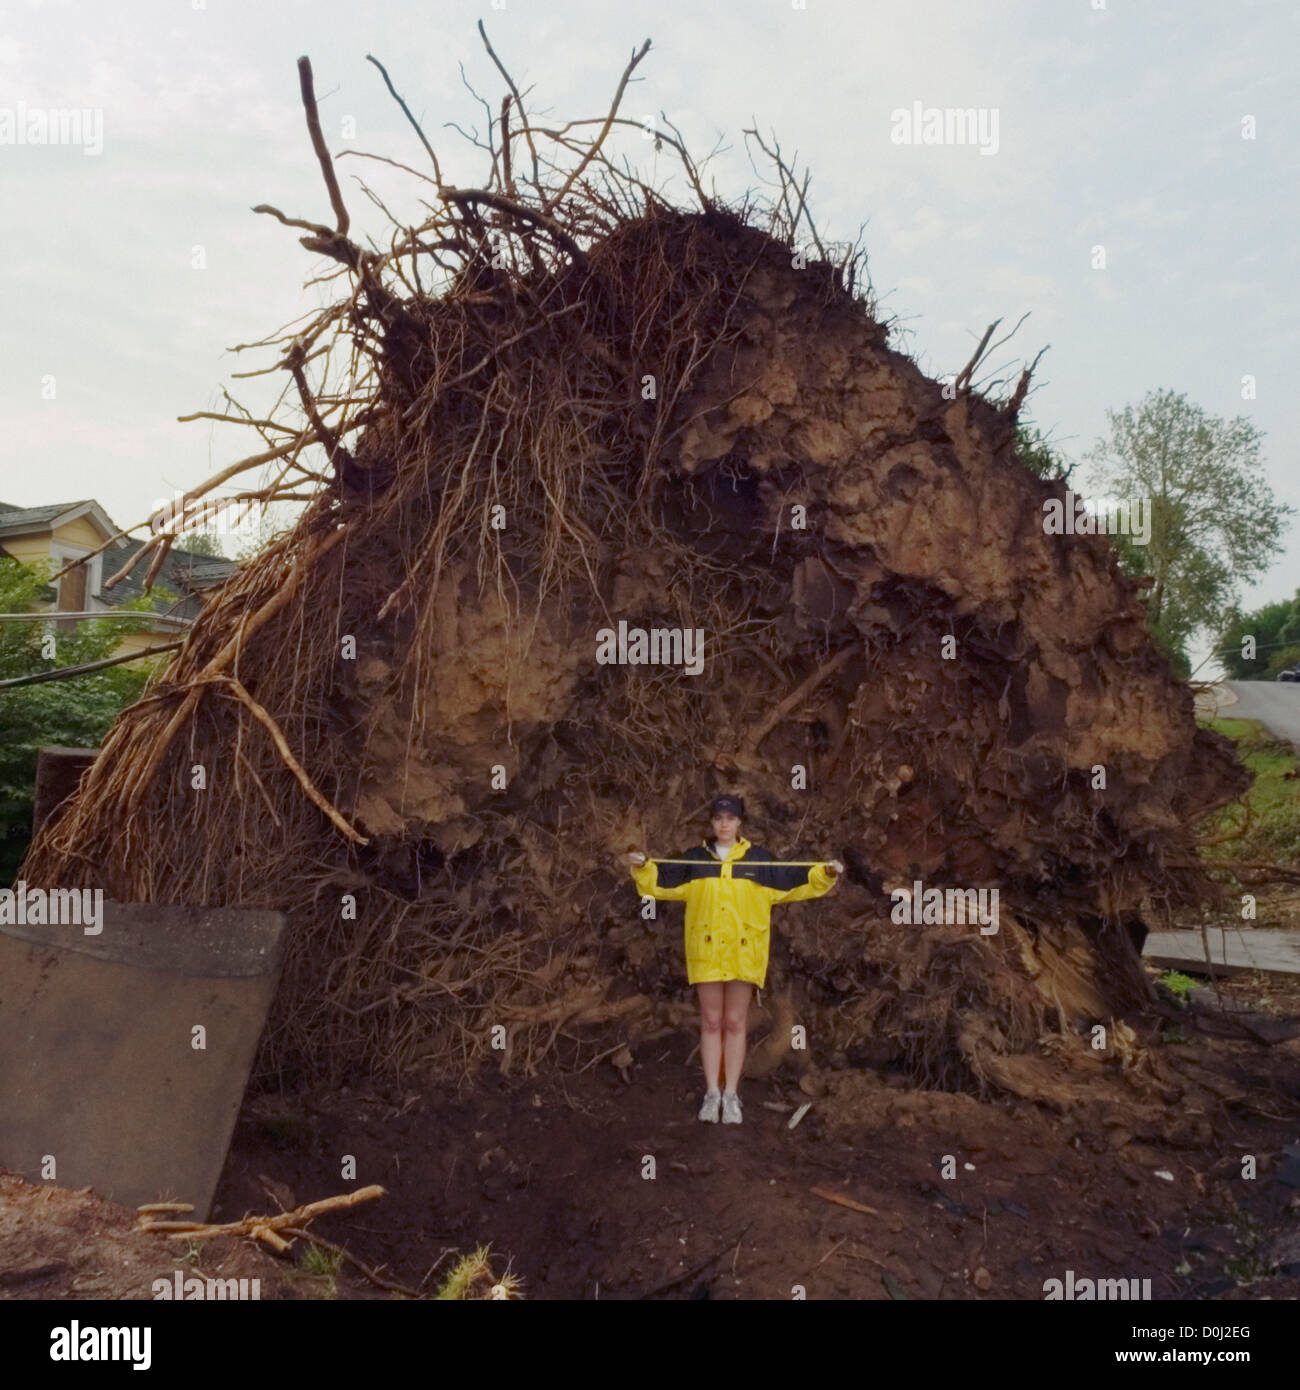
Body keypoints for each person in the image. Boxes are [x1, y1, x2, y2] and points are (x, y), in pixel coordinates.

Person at [625, 795, 843, 1125]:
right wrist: (641, 867)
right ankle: (712, 1094)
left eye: (731, 817)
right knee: (711, 1022)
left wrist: (825, 873)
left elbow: (797, 882)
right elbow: (658, 882)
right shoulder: (696, 860)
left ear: (740, 822)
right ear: (711, 823)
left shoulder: (759, 861)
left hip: (744, 952)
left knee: (736, 1023)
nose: (724, 823)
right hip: (708, 952)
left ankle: (732, 1094)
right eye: (718, 817)